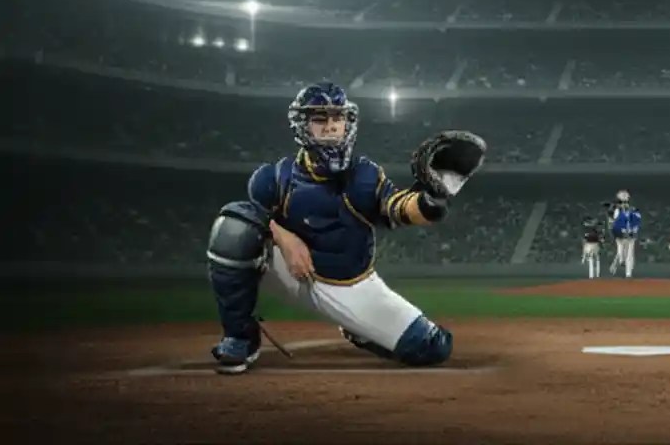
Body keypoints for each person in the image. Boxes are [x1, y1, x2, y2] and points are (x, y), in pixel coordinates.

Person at [204, 81, 486, 374]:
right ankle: (240, 338)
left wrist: (432, 200)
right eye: (320, 119)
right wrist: (283, 236)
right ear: (301, 125)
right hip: (290, 272)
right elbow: (248, 216)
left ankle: (359, 329)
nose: (331, 126)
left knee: (433, 347)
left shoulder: (364, 174)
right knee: (233, 227)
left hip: (351, 285)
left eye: (337, 118)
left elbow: (396, 208)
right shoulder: (273, 177)